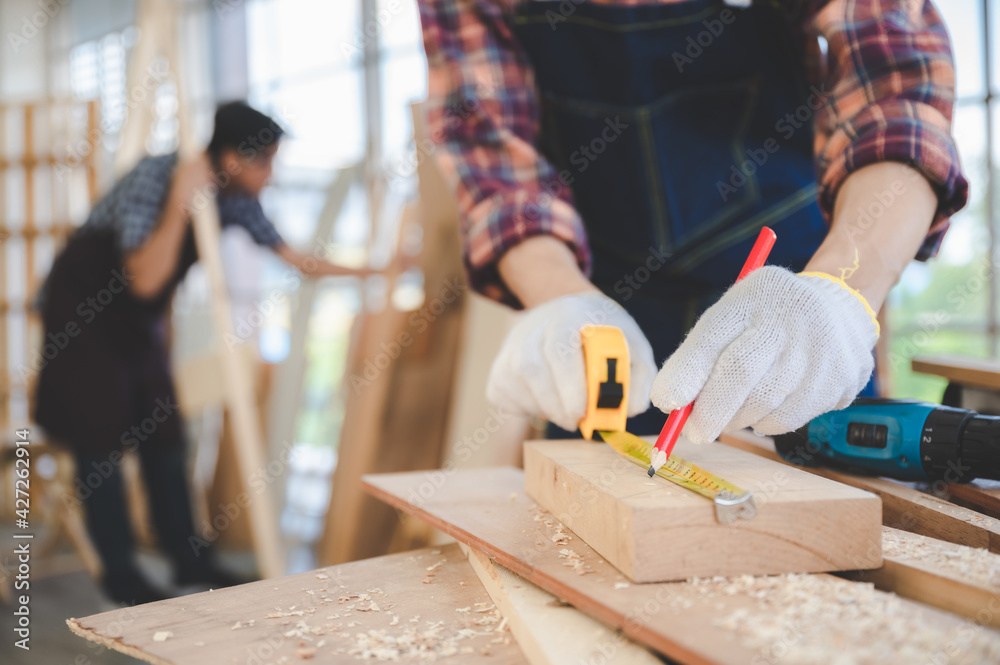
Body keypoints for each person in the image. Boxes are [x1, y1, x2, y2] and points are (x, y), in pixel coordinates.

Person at [417, 0, 967, 441]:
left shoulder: (814, 309)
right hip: (609, 321)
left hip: (794, 312)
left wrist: (842, 291)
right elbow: (495, 162)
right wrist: (561, 299)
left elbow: (899, 98)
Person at [34, 102, 366, 604]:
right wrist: (180, 203)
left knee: (163, 428)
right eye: (264, 162)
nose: (271, 175)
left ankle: (190, 561)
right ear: (231, 157)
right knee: (98, 436)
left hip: (132, 321)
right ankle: (122, 577)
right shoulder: (158, 177)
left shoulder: (235, 198)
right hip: (84, 310)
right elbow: (145, 279)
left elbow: (298, 260)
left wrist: (383, 269)